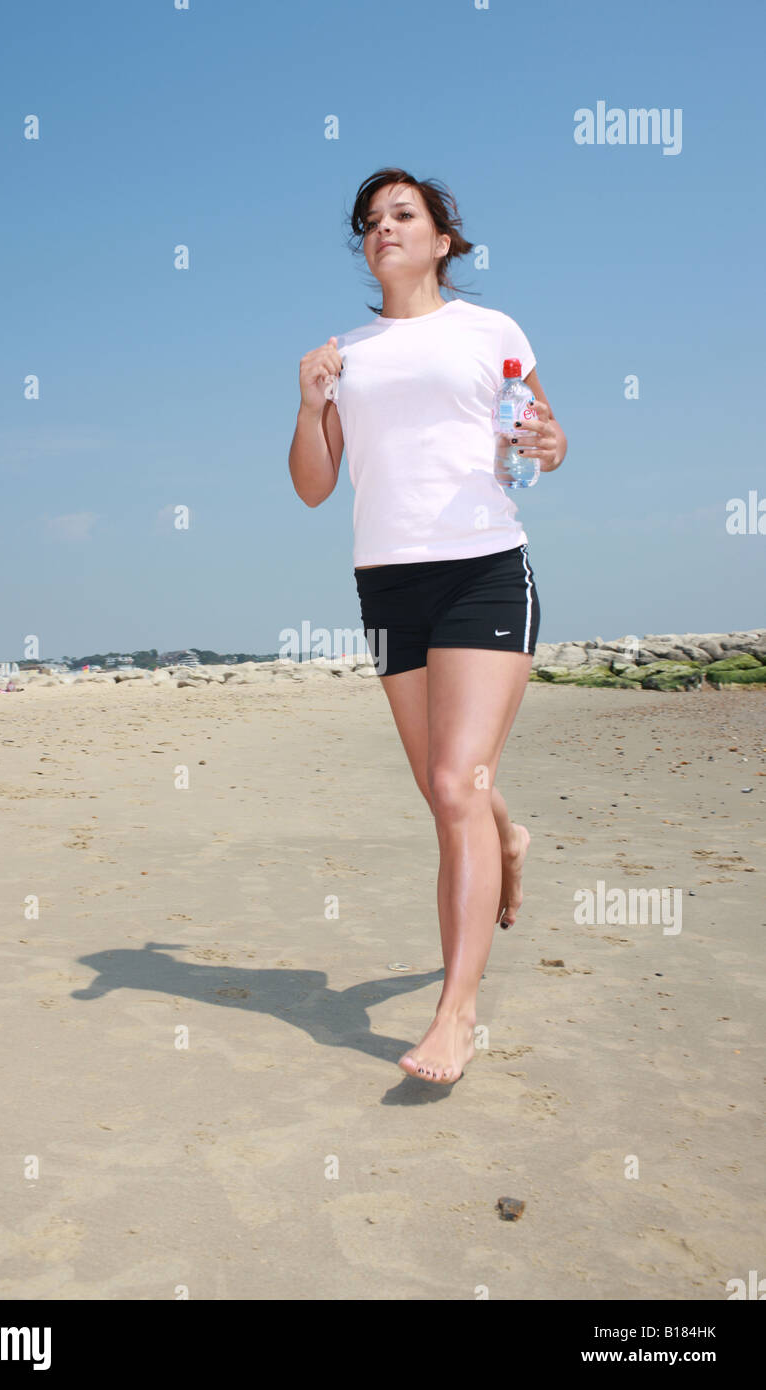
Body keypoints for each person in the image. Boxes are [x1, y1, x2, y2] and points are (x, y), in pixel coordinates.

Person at [288, 167, 567, 1084]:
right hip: (387, 584)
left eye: (403, 215)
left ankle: (457, 1015)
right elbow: (314, 486)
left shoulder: (491, 330)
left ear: (444, 238)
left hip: (484, 568)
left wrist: (551, 446)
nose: (384, 229)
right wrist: (310, 402)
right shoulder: (345, 353)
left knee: (454, 782)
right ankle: (508, 838)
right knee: (448, 791)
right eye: (370, 221)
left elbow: (544, 436)